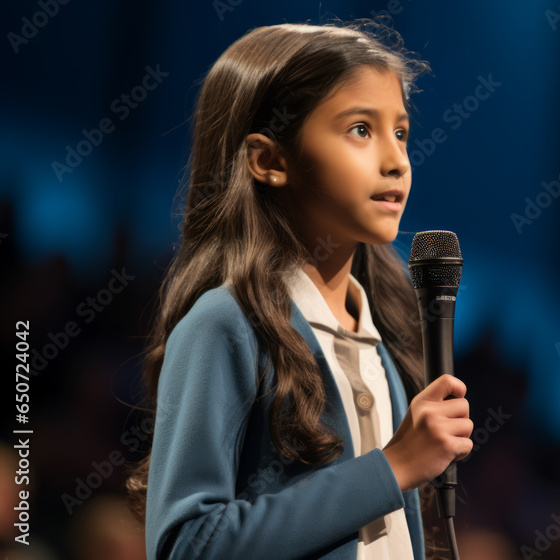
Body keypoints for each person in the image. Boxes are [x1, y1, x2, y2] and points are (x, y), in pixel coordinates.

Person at [124, 19, 474, 560]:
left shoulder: (378, 342)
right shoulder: (227, 324)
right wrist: (393, 467)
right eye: (361, 129)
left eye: (400, 132)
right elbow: (186, 544)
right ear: (269, 160)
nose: (396, 159)